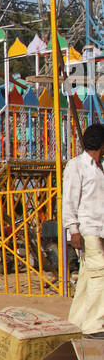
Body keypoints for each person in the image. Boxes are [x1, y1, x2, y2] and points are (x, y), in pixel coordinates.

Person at [64, 123, 104, 333]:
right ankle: (94, 325)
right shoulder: (77, 165)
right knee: (100, 275)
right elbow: (69, 200)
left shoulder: (99, 167)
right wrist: (73, 230)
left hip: (100, 229)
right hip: (88, 229)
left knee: (88, 278)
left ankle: (77, 322)